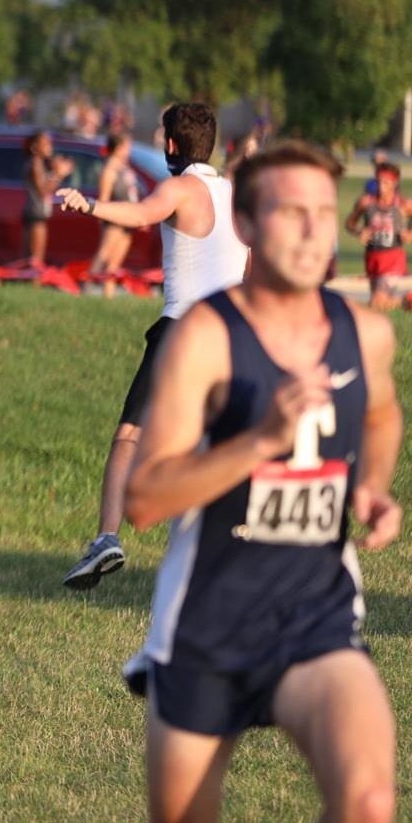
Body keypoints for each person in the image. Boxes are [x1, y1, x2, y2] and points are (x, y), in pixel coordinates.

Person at [118, 140, 401, 823]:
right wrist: (261, 442)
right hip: (209, 622)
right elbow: (144, 499)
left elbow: (379, 414)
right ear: (245, 221)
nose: (312, 231)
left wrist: (371, 486)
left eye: (321, 214)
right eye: (289, 212)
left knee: (368, 808)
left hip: (315, 616)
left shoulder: (365, 334)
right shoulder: (206, 339)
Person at [58, 103, 252, 591]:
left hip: (182, 330)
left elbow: (141, 214)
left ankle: (106, 537)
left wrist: (89, 205)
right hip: (230, 335)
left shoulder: (179, 188)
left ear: (170, 145)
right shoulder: (234, 194)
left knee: (130, 436)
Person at [346, 163, 411, 311]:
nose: (381, 186)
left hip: (393, 259)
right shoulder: (366, 202)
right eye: (378, 181)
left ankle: (406, 302)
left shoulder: (403, 204)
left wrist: (409, 234)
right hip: (372, 258)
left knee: (377, 302)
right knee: (376, 307)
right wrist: (359, 232)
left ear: (394, 183)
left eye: (386, 182)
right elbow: (350, 223)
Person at [88, 134, 142, 288]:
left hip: (128, 218)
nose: (129, 150)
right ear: (118, 148)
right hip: (114, 220)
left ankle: (108, 295)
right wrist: (103, 222)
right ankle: (87, 285)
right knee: (103, 255)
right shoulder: (109, 170)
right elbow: (103, 200)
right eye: (127, 147)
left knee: (114, 264)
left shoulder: (124, 167)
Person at [24, 130, 72, 271]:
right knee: (35, 260)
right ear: (35, 146)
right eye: (45, 143)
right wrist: (58, 174)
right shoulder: (35, 164)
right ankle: (33, 287)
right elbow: (42, 190)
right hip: (36, 215)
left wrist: (55, 171)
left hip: (38, 214)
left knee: (35, 258)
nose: (49, 146)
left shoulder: (40, 164)